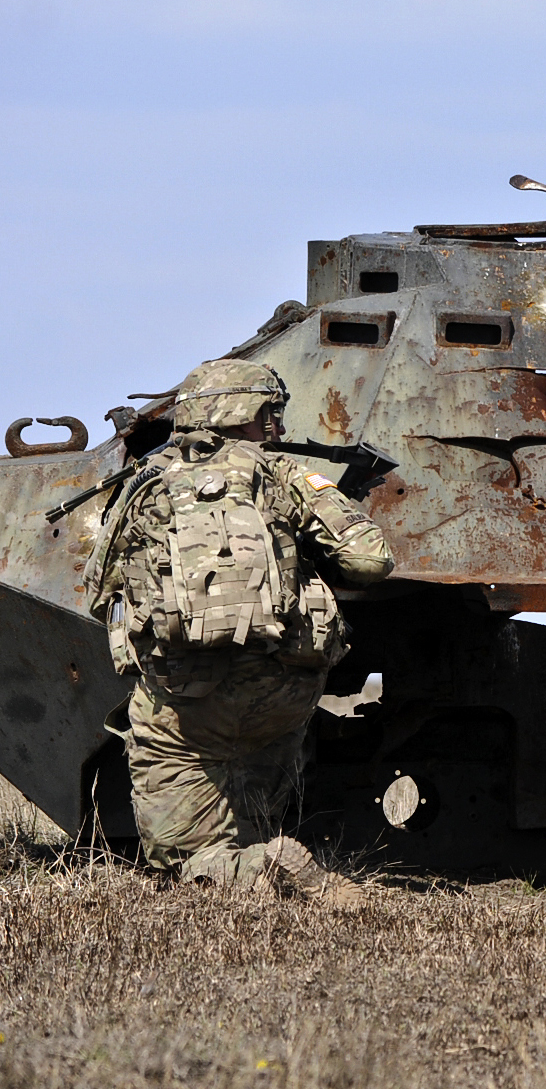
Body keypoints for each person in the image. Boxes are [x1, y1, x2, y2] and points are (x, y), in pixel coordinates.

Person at [87, 358, 394, 893]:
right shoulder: (286, 475)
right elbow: (369, 561)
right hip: (282, 687)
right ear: (254, 413)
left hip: (184, 695)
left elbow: (100, 588)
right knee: (251, 815)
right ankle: (264, 861)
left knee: (181, 858)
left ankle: (260, 866)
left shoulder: (143, 485)